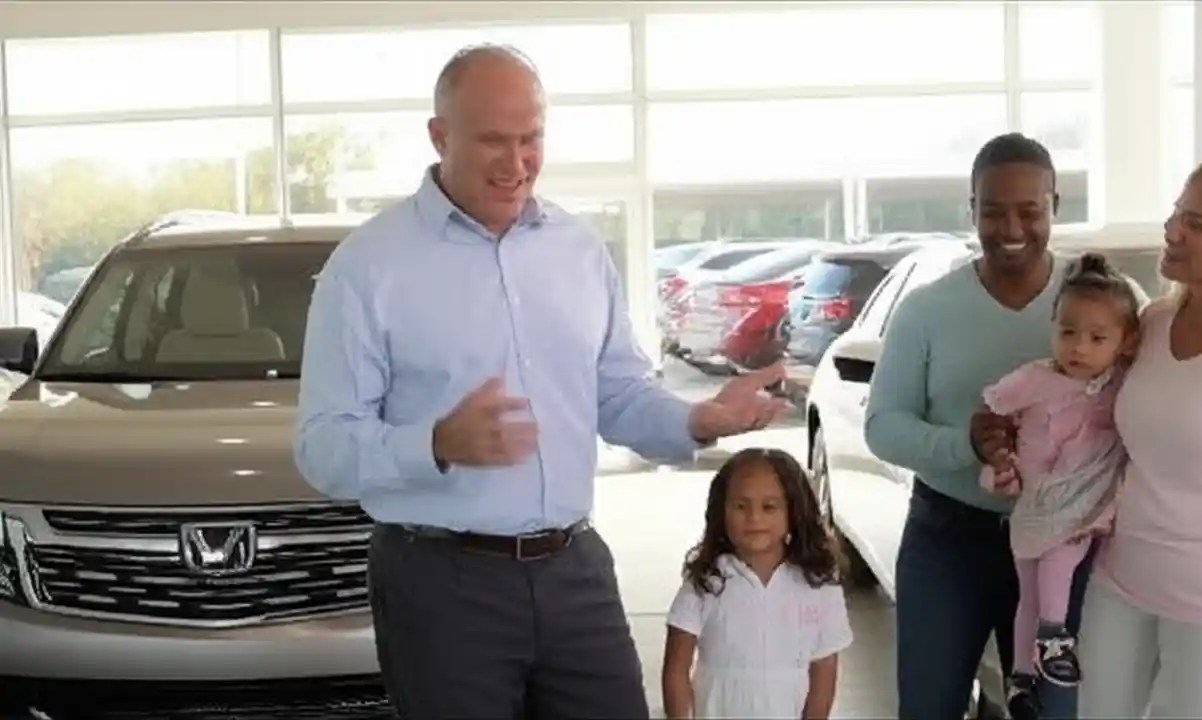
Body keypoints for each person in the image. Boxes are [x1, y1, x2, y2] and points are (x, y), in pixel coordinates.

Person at [293, 44, 789, 720]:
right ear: (440, 137)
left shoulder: (577, 250)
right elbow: (323, 448)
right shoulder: (369, 267)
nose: (517, 162)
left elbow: (616, 394)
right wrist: (435, 442)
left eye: (532, 139)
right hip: (441, 580)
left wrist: (697, 419)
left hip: (573, 569)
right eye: (494, 141)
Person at [864, 132, 1133, 719]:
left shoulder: (1108, 303)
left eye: (1030, 210)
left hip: (1068, 542)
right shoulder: (928, 309)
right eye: (993, 211)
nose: (1012, 227)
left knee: (1055, 707)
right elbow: (882, 426)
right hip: (949, 539)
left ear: (1055, 207)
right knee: (929, 705)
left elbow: (1153, 410)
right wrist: (963, 443)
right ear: (972, 212)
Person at [1077, 157, 1202, 718]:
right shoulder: (1152, 323)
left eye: (1198, 224)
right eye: (1176, 213)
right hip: (1121, 578)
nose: (1173, 230)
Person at [978, 253, 1141, 718]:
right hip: (1035, 501)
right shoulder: (1036, 377)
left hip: (1082, 503)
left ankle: (1052, 637)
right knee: (1027, 591)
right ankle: (1022, 678)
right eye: (1068, 332)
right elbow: (993, 410)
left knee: (1060, 563)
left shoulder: (1122, 384)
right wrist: (998, 454)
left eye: (1097, 338)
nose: (1080, 348)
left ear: (1125, 342)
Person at [661, 448, 853, 719]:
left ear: (793, 511)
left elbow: (825, 669)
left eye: (769, 507)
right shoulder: (705, 581)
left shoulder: (820, 584)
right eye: (741, 506)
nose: (754, 519)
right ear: (721, 511)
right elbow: (676, 670)